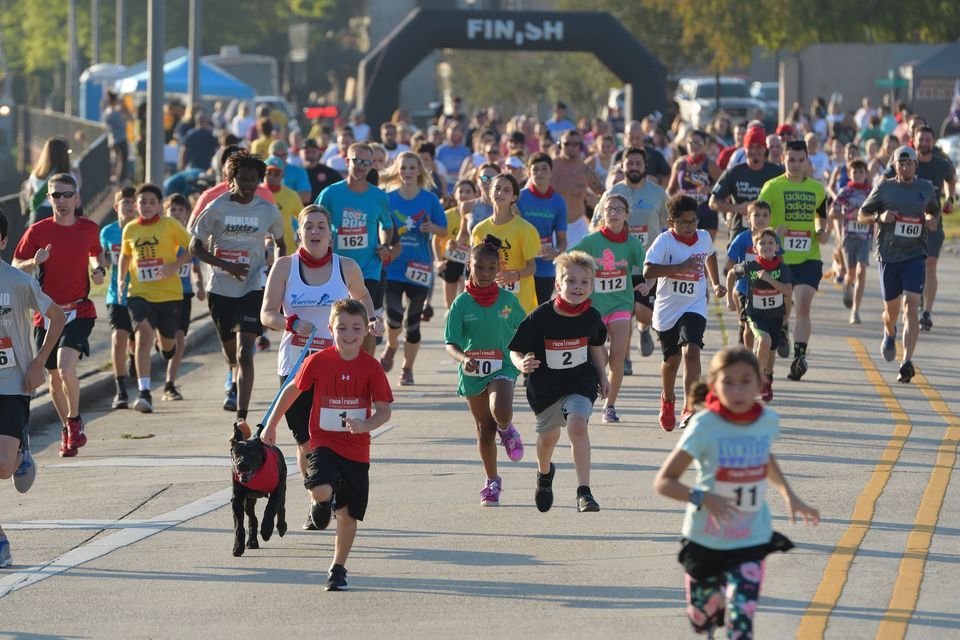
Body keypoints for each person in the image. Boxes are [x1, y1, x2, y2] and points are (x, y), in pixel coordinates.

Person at [654, 347, 819, 640]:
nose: (737, 389)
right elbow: (664, 481)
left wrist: (789, 495)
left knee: (742, 621)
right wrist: (704, 498)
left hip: (750, 537)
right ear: (714, 385)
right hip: (706, 537)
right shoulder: (704, 425)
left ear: (761, 383)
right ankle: (710, 608)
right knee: (701, 620)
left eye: (745, 380)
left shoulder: (767, 421)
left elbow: (763, 457)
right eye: (728, 382)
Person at [261, 205, 382, 530]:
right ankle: (319, 499)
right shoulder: (285, 267)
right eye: (308, 226)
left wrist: (372, 320)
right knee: (307, 441)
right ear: (299, 232)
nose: (315, 232)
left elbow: (364, 298)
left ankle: (330, 489)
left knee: (334, 437)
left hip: (338, 365)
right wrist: (291, 323)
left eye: (321, 227)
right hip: (297, 364)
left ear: (331, 234)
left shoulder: (346, 266)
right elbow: (267, 313)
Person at [261, 299, 392, 591]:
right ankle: (320, 503)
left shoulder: (371, 368)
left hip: (357, 449)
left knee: (348, 514)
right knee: (319, 487)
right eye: (342, 327)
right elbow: (291, 390)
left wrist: (366, 425)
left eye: (356, 328)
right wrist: (271, 425)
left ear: (366, 331)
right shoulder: (318, 361)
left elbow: (384, 410)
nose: (349, 333)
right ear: (330, 328)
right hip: (324, 442)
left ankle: (338, 567)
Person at [190, 151, 286, 434]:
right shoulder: (216, 208)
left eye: (252, 181)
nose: (246, 186)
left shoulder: (267, 210)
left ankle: (241, 417)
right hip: (220, 288)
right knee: (231, 351)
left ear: (259, 182)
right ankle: (232, 376)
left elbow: (281, 243)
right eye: (241, 180)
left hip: (253, 285)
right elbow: (194, 248)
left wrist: (275, 273)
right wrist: (226, 266)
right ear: (230, 179)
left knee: (246, 353)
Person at [508, 251, 609, 513]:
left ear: (592, 285)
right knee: (548, 439)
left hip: (580, 381)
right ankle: (544, 474)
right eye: (571, 281)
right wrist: (521, 364)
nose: (578, 287)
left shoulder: (592, 317)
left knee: (577, 425)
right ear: (558, 284)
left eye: (584, 282)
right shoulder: (540, 317)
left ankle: (584, 492)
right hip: (546, 387)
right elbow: (515, 350)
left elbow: (596, 346)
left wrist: (602, 375)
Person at [12, 173, 104, 457]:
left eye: (67, 195)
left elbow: (95, 252)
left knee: (65, 368)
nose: (62, 201)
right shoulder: (38, 231)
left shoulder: (89, 228)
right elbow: (15, 264)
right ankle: (67, 427)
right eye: (56, 195)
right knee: (52, 377)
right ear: (48, 198)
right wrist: (33, 261)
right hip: (48, 314)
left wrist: (98, 269)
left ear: (77, 197)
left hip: (79, 309)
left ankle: (74, 421)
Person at [0, 208, 67, 567]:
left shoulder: (18, 282)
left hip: (12, 383)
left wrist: (39, 362)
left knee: (3, 468)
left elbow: (57, 317)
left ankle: (21, 449)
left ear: (3, 241)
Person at [444, 239, 527, 506]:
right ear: (469, 266)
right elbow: (451, 343)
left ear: (498, 270)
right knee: (483, 430)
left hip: (502, 365)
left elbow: (526, 329)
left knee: (500, 408)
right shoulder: (461, 304)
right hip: (472, 370)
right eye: (479, 267)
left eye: (492, 268)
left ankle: (507, 427)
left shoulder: (508, 300)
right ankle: (492, 481)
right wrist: (463, 358)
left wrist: (529, 355)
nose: (485, 273)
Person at [643, 195, 726, 432]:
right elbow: (648, 270)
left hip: (694, 305)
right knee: (671, 362)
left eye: (693, 222)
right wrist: (680, 268)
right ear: (671, 222)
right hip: (668, 308)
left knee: (691, 351)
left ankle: (690, 407)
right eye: (684, 223)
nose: (690, 227)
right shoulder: (664, 241)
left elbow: (710, 255)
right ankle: (668, 400)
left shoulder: (703, 237)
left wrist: (716, 283)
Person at [859, 146, 940, 383]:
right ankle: (889, 331)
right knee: (891, 313)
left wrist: (930, 220)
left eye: (910, 163)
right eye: (901, 164)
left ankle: (906, 361)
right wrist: (879, 217)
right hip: (889, 256)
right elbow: (861, 215)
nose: (905, 168)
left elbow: (933, 214)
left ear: (916, 165)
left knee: (911, 307)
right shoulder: (885, 188)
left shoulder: (925, 188)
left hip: (915, 255)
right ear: (894, 166)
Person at [117, 184, 193, 413]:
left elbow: (194, 247)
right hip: (139, 294)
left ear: (160, 205)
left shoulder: (170, 225)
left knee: (168, 346)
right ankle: (144, 392)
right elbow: (125, 255)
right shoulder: (130, 229)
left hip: (169, 295)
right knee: (143, 334)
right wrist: (122, 280)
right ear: (136, 205)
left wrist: (175, 265)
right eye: (142, 202)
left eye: (151, 202)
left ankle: (166, 349)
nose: (146, 206)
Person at [591, 147, 669, 368]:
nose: (634, 167)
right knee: (623, 315)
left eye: (638, 163)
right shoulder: (612, 193)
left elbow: (670, 222)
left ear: (645, 166)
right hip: (617, 264)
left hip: (647, 263)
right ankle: (624, 360)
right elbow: (596, 223)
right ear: (622, 166)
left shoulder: (657, 193)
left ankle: (644, 329)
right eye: (630, 163)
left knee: (643, 311)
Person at [572, 194, 645, 423]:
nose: (613, 213)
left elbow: (646, 267)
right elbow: (568, 260)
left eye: (618, 209)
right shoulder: (590, 242)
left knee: (618, 356)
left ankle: (609, 406)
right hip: (595, 307)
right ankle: (594, 384)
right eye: (609, 209)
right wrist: (574, 284)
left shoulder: (632, 243)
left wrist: (647, 283)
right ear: (602, 214)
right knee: (598, 357)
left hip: (621, 304)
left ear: (626, 215)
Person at [758, 140, 828, 381]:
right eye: (791, 160)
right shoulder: (771, 187)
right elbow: (758, 221)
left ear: (807, 160)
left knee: (804, 305)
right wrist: (772, 232)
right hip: (780, 259)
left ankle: (800, 357)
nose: (797, 165)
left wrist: (822, 230)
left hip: (809, 256)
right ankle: (784, 328)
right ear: (783, 160)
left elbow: (821, 217)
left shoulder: (817, 189)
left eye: (801, 160)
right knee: (784, 310)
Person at [316, 142, 394, 356]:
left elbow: (386, 227)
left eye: (366, 163)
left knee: (368, 321)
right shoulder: (330, 194)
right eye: (356, 161)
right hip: (337, 268)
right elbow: (315, 222)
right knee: (338, 322)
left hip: (369, 267)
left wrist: (385, 244)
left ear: (371, 166)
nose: (361, 167)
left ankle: (366, 368)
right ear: (347, 161)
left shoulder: (379, 196)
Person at [379, 152, 447, 385]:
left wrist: (432, 227)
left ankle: (407, 369)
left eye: (411, 167)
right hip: (394, 266)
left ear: (419, 171)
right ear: (397, 171)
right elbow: (380, 226)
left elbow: (444, 230)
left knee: (413, 324)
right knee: (394, 316)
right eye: (403, 167)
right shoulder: (387, 199)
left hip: (420, 267)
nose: (407, 172)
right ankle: (391, 345)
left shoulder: (429, 199)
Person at [726, 229, 793, 402]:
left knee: (771, 352)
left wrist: (770, 279)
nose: (767, 246)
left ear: (777, 247)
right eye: (762, 243)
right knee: (764, 341)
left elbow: (787, 291)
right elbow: (732, 274)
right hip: (755, 314)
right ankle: (757, 379)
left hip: (776, 315)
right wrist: (729, 299)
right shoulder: (750, 266)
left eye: (771, 242)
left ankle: (768, 379)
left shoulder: (782, 268)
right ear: (755, 249)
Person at [900, 126, 955, 332]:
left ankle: (926, 313)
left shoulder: (941, 165)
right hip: (907, 224)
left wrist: (949, 198)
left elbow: (951, 178)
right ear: (914, 140)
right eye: (921, 139)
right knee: (911, 266)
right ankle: (912, 303)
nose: (924, 143)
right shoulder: (908, 164)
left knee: (930, 265)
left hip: (933, 223)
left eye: (928, 139)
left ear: (933, 142)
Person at [469, 174, 540, 315]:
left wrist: (514, 275)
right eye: (497, 188)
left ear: (514, 197)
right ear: (490, 192)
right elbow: (474, 267)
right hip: (490, 302)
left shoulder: (526, 229)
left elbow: (532, 267)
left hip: (520, 303)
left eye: (507, 190)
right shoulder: (479, 230)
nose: (500, 193)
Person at [162, 194, 205, 401]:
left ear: (187, 213)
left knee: (180, 338)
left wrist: (200, 286)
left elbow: (195, 268)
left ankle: (170, 383)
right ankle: (161, 342)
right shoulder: (161, 236)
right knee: (166, 338)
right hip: (161, 295)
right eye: (172, 209)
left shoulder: (190, 240)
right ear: (165, 212)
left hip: (184, 294)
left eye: (180, 210)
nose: (176, 213)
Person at [710, 126, 784, 244]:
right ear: (744, 149)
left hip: (770, 236)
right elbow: (713, 202)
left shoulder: (777, 172)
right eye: (751, 147)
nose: (754, 151)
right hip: (740, 232)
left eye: (759, 147)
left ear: (765, 149)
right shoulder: (734, 172)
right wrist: (737, 208)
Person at [100, 187, 138, 409]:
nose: (130, 206)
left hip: (141, 294)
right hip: (116, 294)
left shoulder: (142, 229)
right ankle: (121, 389)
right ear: (116, 207)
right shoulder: (108, 232)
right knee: (118, 337)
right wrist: (101, 263)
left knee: (136, 340)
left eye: (133, 202)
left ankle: (134, 358)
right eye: (125, 202)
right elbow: (103, 261)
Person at [517, 153, 568, 306]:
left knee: (539, 314)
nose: (539, 173)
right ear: (528, 172)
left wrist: (556, 252)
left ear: (551, 172)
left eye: (544, 169)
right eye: (535, 169)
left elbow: (562, 240)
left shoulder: (558, 202)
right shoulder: (518, 198)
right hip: (520, 265)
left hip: (545, 269)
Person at [830, 159, 873, 324]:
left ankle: (855, 311)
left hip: (864, 238)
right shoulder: (845, 192)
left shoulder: (871, 192)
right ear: (849, 174)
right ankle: (847, 284)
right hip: (848, 237)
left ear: (865, 174)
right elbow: (832, 213)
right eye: (854, 172)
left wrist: (866, 218)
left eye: (861, 172)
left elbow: (878, 213)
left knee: (861, 272)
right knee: (852, 274)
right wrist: (849, 216)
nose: (858, 175)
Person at [668, 130, 722, 241]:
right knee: (683, 251)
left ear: (705, 145)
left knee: (704, 252)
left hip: (706, 214)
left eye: (699, 144)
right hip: (683, 216)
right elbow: (670, 190)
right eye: (691, 143)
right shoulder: (679, 164)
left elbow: (723, 186)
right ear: (685, 144)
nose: (695, 147)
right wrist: (679, 198)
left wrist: (710, 189)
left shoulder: (711, 165)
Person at [552, 129, 603, 248]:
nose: (571, 147)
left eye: (575, 144)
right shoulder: (550, 167)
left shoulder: (585, 170)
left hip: (578, 225)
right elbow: (531, 189)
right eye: (567, 144)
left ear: (580, 146)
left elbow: (604, 194)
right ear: (560, 145)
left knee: (581, 264)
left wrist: (597, 205)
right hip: (553, 226)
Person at [433, 179, 477, 311]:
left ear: (475, 194)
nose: (464, 194)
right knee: (450, 305)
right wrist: (438, 261)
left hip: (469, 262)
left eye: (468, 191)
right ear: (455, 194)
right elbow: (436, 240)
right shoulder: (447, 215)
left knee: (467, 301)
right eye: (461, 191)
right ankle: (450, 328)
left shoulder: (476, 216)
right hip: (450, 261)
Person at [24, 137, 76, 225]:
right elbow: (76, 198)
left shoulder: (36, 174)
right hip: (61, 215)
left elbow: (29, 195)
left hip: (39, 215)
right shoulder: (69, 175)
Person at [264, 158, 304, 253]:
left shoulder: (292, 195)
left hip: (287, 250)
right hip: (260, 252)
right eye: (269, 172)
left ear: (283, 175)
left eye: (277, 173)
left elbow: (303, 218)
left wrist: (301, 237)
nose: (272, 176)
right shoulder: (255, 193)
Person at [269, 140, 312, 204]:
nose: (279, 158)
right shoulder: (261, 171)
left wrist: (279, 197)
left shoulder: (298, 171)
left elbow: (305, 197)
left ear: (287, 155)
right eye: (276, 155)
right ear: (269, 154)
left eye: (283, 155)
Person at [102, 92, 129, 183]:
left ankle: (115, 178)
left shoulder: (107, 112)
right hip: (120, 138)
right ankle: (121, 180)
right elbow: (122, 126)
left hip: (112, 139)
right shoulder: (116, 113)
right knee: (122, 161)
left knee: (115, 160)